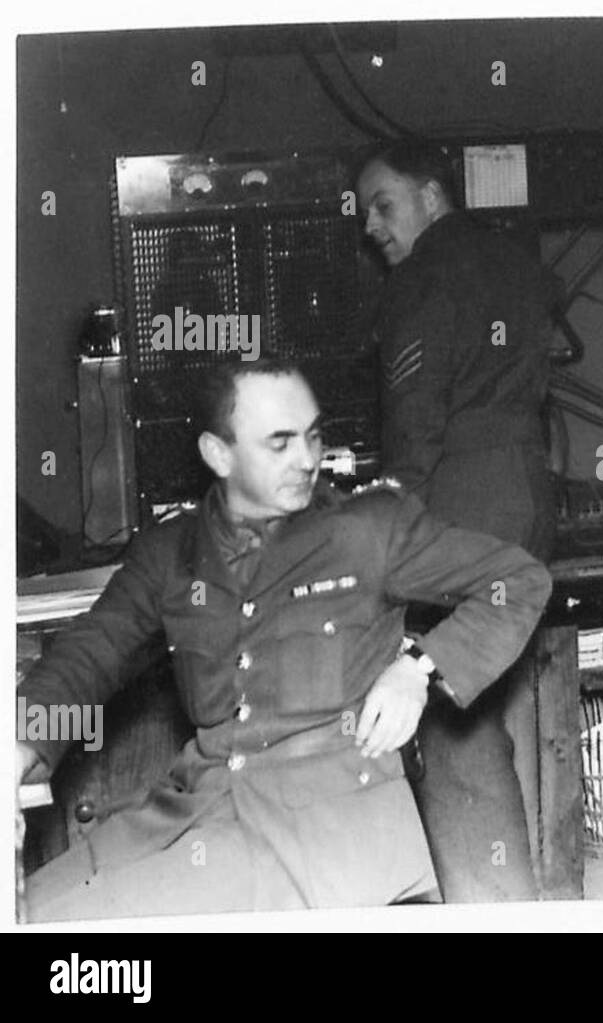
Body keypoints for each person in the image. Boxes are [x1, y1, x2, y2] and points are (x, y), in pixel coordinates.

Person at [16, 359, 552, 921]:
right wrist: (20, 747)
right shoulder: (170, 553)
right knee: (30, 907)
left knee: (71, 931)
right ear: (217, 454)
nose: (307, 459)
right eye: (279, 443)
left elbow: (516, 582)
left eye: (313, 435)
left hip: (332, 828)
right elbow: (92, 651)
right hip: (197, 808)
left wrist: (417, 669)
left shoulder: (367, 529)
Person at [355, 139, 559, 900]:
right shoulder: (515, 260)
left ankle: (492, 901)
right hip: (531, 493)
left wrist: (385, 528)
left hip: (464, 506)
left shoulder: (419, 280)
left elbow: (414, 429)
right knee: (498, 692)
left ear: (433, 195)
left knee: (450, 721)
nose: (373, 226)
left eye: (385, 204)